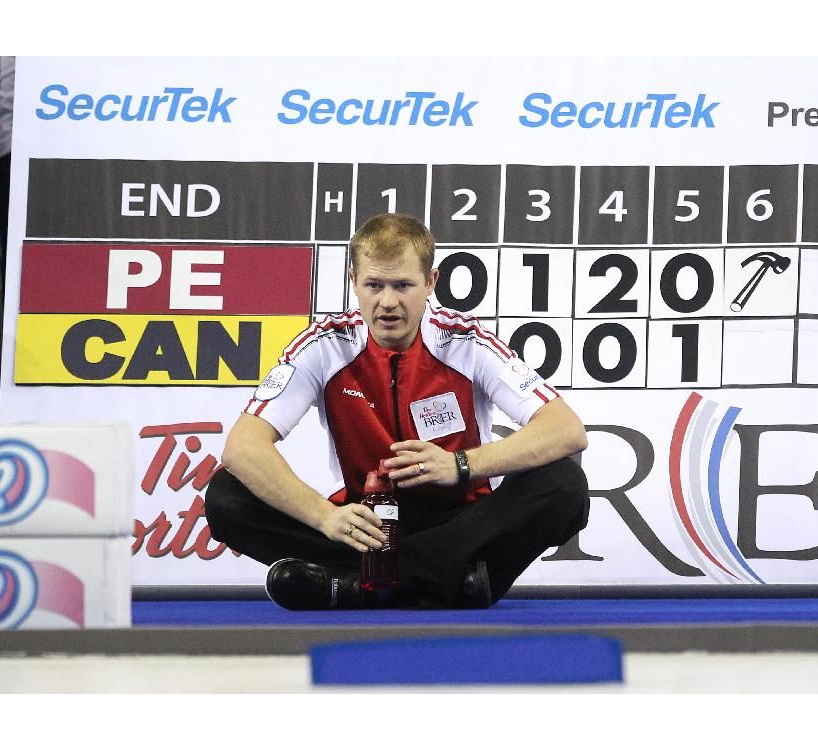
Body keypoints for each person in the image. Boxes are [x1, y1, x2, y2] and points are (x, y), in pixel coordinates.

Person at [204, 213, 590, 609]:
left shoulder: (467, 342)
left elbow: (566, 429)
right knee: (226, 497)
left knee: (564, 484)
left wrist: (460, 464)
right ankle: (446, 583)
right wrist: (324, 517)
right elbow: (243, 447)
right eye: (374, 285)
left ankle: (353, 587)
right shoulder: (324, 345)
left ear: (430, 283)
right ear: (354, 281)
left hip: (462, 529)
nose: (388, 302)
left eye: (403, 285)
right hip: (365, 530)